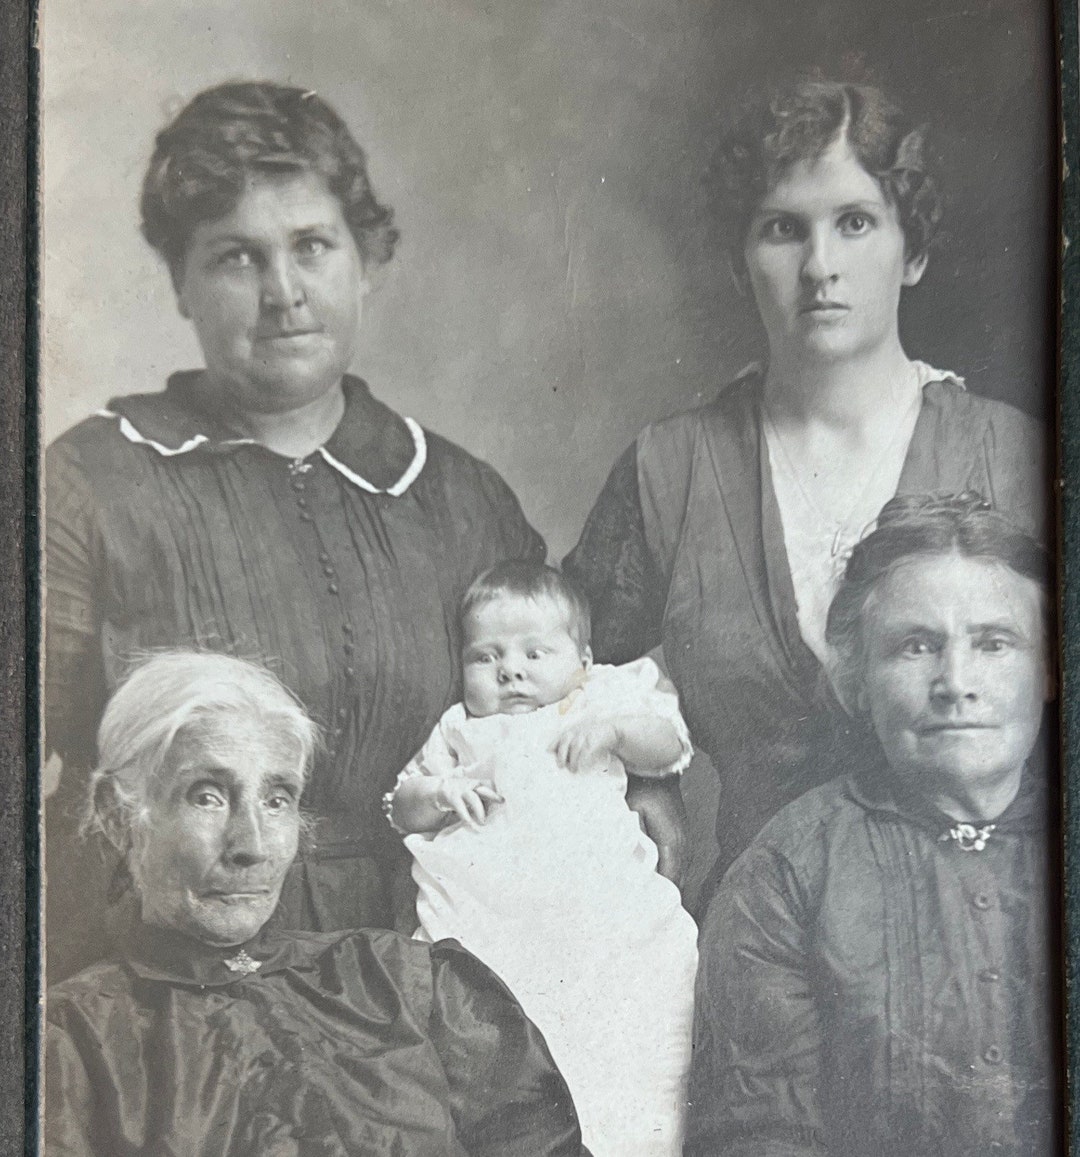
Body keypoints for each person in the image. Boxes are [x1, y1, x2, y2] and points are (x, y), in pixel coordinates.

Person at [44, 81, 547, 979]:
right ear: (180, 283)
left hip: (419, 968)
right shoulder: (91, 483)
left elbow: (554, 715)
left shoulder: (461, 499)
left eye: (312, 246)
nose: (284, 293)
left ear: (368, 260)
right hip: (158, 982)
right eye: (237, 257)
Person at [563, 77, 1047, 894]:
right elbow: (555, 671)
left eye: (855, 223)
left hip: (986, 931)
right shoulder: (672, 469)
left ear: (915, 249)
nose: (820, 266)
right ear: (739, 258)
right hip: (758, 933)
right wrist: (643, 772)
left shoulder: (1013, 456)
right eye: (783, 229)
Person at [45, 651, 588, 1157]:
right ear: (118, 817)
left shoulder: (410, 985)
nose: (252, 846)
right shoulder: (67, 1044)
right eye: (206, 796)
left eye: (277, 800)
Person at [686, 493, 1059, 1157]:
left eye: (995, 642)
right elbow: (760, 1136)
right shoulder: (784, 873)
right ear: (856, 681)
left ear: (1050, 668)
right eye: (916, 646)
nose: (956, 681)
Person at [386, 562, 698, 1157]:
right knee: (497, 1036)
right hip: (491, 915)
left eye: (535, 652)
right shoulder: (460, 728)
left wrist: (615, 735)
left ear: (581, 659)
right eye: (485, 656)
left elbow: (669, 746)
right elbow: (403, 805)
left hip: (596, 916)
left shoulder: (597, 698)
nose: (510, 669)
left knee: (633, 1033)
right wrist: (439, 793)